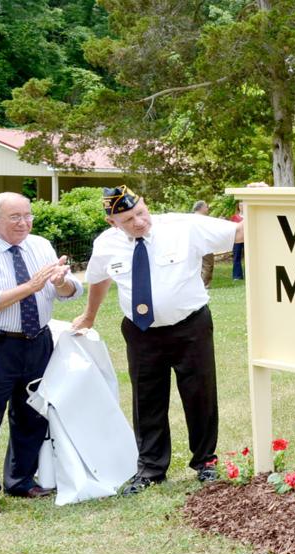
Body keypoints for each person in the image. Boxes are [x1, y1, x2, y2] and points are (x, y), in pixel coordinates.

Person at [72, 185, 244, 494]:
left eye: (140, 213)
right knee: (147, 399)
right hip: (141, 332)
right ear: (113, 223)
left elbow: (240, 233)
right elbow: (99, 278)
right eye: (127, 220)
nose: (138, 222)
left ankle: (205, 462)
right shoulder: (106, 244)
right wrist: (89, 315)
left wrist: (254, 199)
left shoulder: (184, 226)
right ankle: (151, 469)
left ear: (146, 204)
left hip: (189, 325)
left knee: (199, 393)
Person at [0, 191, 80, 516]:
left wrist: (62, 282)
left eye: (28, 215)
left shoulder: (41, 246)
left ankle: (21, 480)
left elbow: (68, 292)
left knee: (31, 416)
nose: (24, 223)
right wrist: (31, 287)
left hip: (36, 342)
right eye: (15, 217)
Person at [192, 200, 215, 285]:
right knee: (208, 264)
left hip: (193, 244)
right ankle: (204, 284)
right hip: (204, 244)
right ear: (201, 208)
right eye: (206, 206)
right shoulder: (203, 219)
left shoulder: (190, 218)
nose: (207, 208)